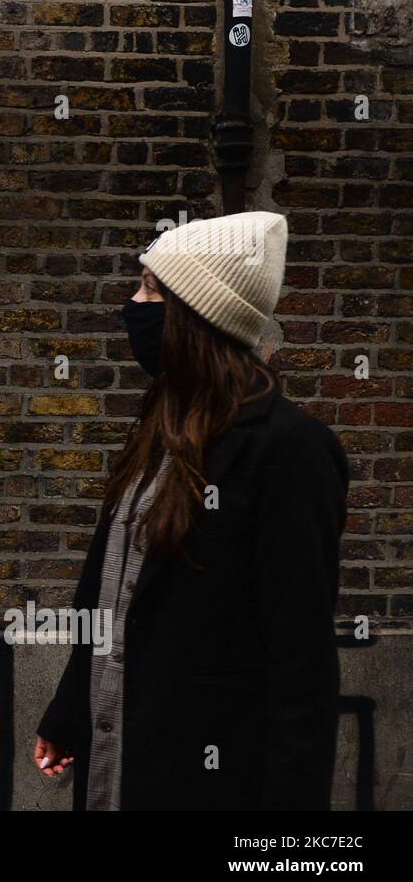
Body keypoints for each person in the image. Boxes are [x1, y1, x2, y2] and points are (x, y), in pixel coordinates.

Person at [34, 211, 349, 810]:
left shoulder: (288, 448)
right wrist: (69, 707)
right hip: (114, 759)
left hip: (203, 776)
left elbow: (301, 662)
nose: (133, 303)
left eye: (151, 290)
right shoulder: (159, 428)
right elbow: (112, 590)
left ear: (195, 316)